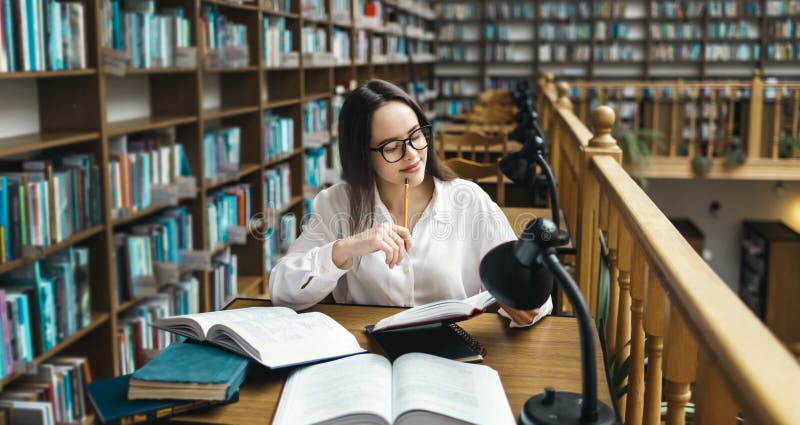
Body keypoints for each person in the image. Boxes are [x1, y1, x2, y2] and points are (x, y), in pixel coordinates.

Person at [269, 79, 552, 326]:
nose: (412, 155)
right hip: (367, 357)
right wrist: (345, 249)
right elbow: (282, 289)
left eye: (416, 136)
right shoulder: (336, 204)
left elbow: (534, 294)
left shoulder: (468, 201)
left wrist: (522, 306)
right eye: (392, 147)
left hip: (455, 357)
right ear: (361, 155)